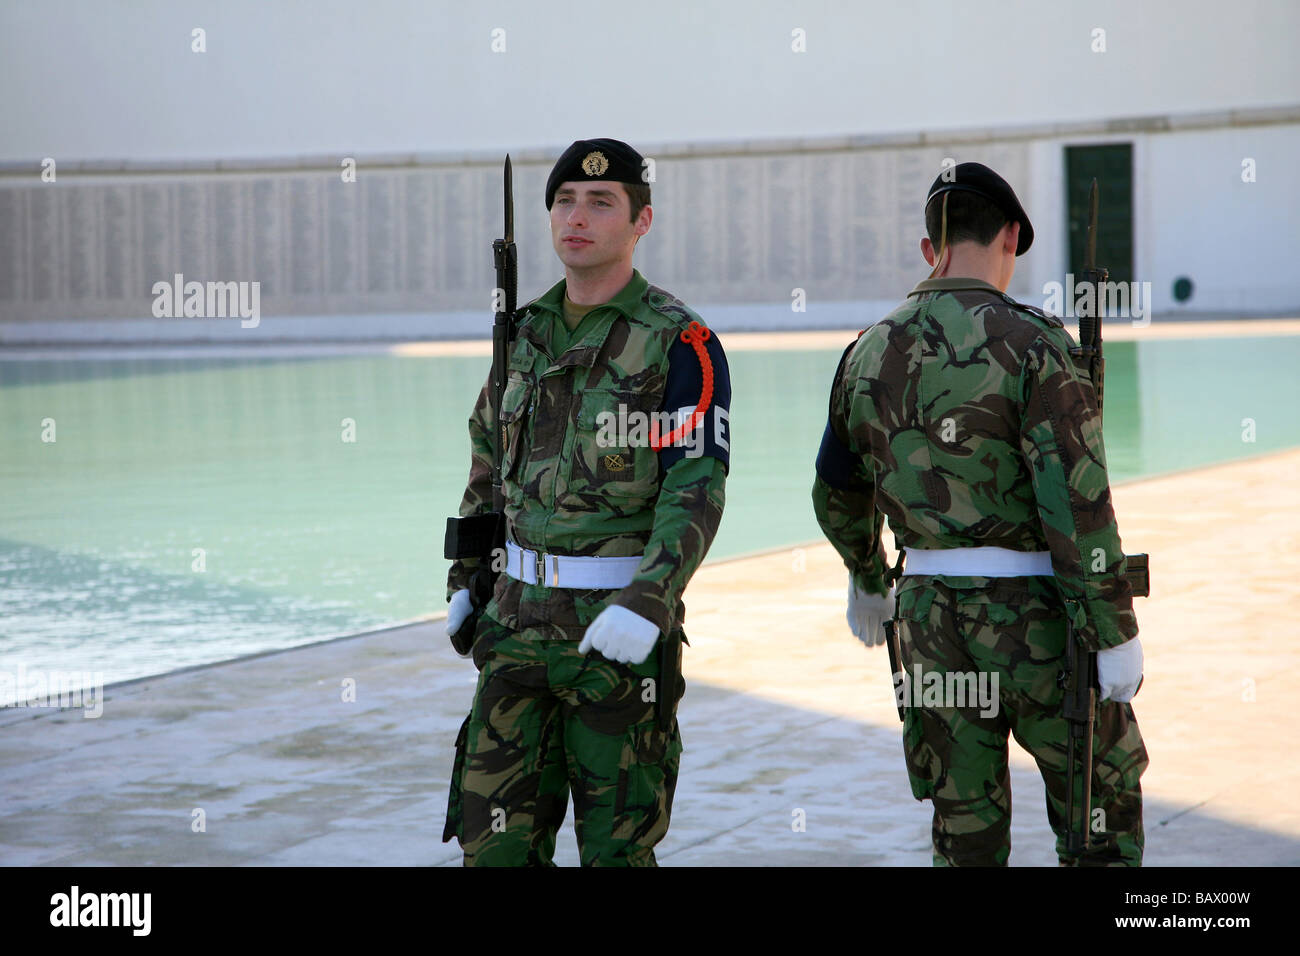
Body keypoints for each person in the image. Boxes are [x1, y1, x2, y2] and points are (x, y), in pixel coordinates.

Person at [811, 161, 1148, 866]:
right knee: (1097, 824)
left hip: (930, 622)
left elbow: (835, 491)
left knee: (964, 834)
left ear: (928, 248)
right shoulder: (1033, 344)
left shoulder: (866, 351)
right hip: (1040, 625)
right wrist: (1113, 628)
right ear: (1010, 236)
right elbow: (1077, 502)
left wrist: (867, 577)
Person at [441, 138, 730, 866]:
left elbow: (694, 490)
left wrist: (652, 600)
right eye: (564, 200)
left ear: (642, 222)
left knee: (616, 855)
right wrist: (465, 581)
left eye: (601, 202)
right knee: (494, 852)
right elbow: (487, 470)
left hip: (616, 641)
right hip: (511, 632)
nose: (577, 215)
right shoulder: (523, 335)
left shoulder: (680, 341)